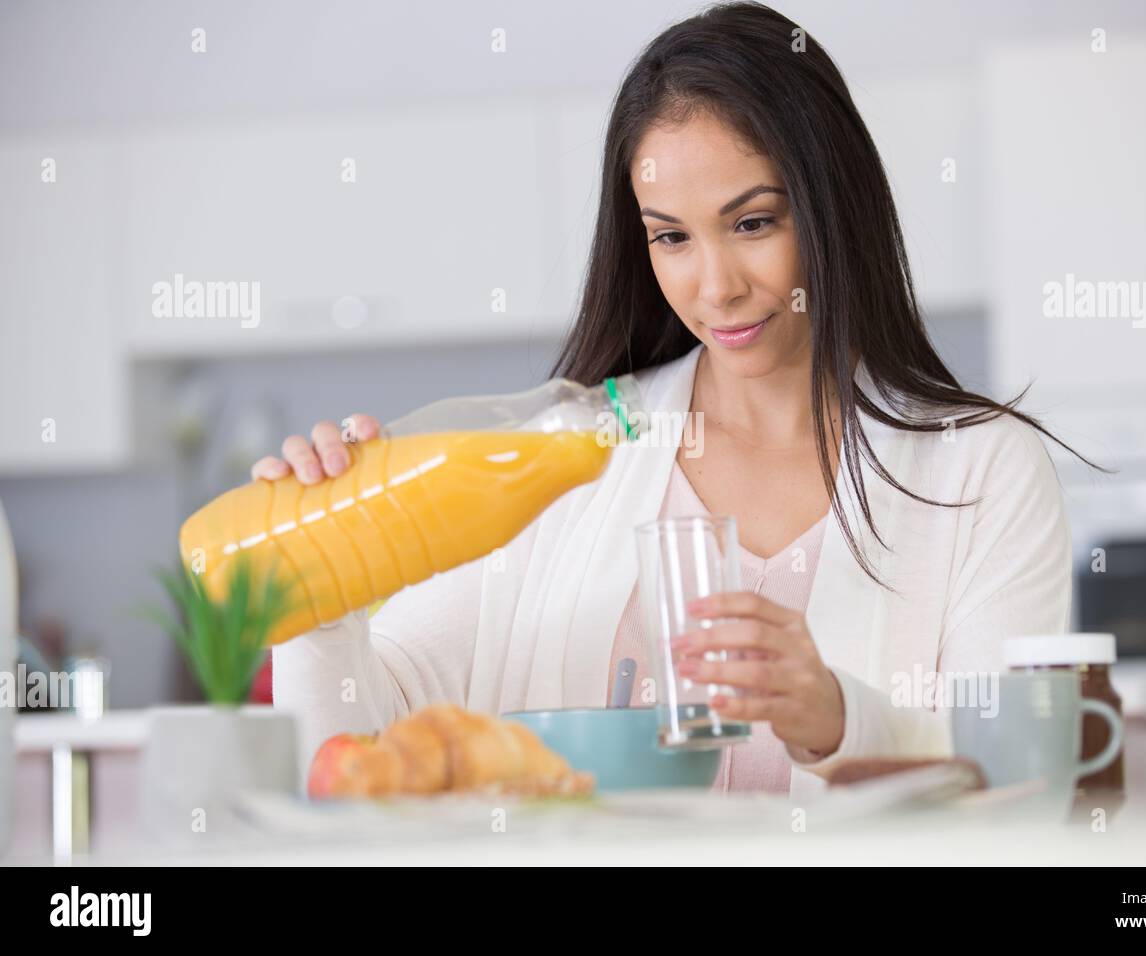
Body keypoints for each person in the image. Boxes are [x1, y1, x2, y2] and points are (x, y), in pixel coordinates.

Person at [261, 2, 1103, 799]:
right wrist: (317, 608)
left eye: (753, 223)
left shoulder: (982, 468)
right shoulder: (568, 457)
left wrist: (839, 720)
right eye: (671, 236)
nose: (716, 288)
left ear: (832, 205)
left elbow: (1019, 785)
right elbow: (357, 756)